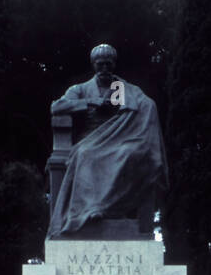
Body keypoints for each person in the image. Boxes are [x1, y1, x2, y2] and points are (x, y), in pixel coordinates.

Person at [48, 44, 167, 237]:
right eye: (100, 64)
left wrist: (134, 106)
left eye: (109, 65)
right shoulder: (81, 89)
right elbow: (57, 107)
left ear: (114, 65)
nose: (105, 69)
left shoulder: (122, 88)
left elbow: (147, 104)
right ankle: (89, 210)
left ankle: (111, 209)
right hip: (91, 138)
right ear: (94, 65)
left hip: (121, 138)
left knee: (130, 154)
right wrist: (89, 103)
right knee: (86, 155)